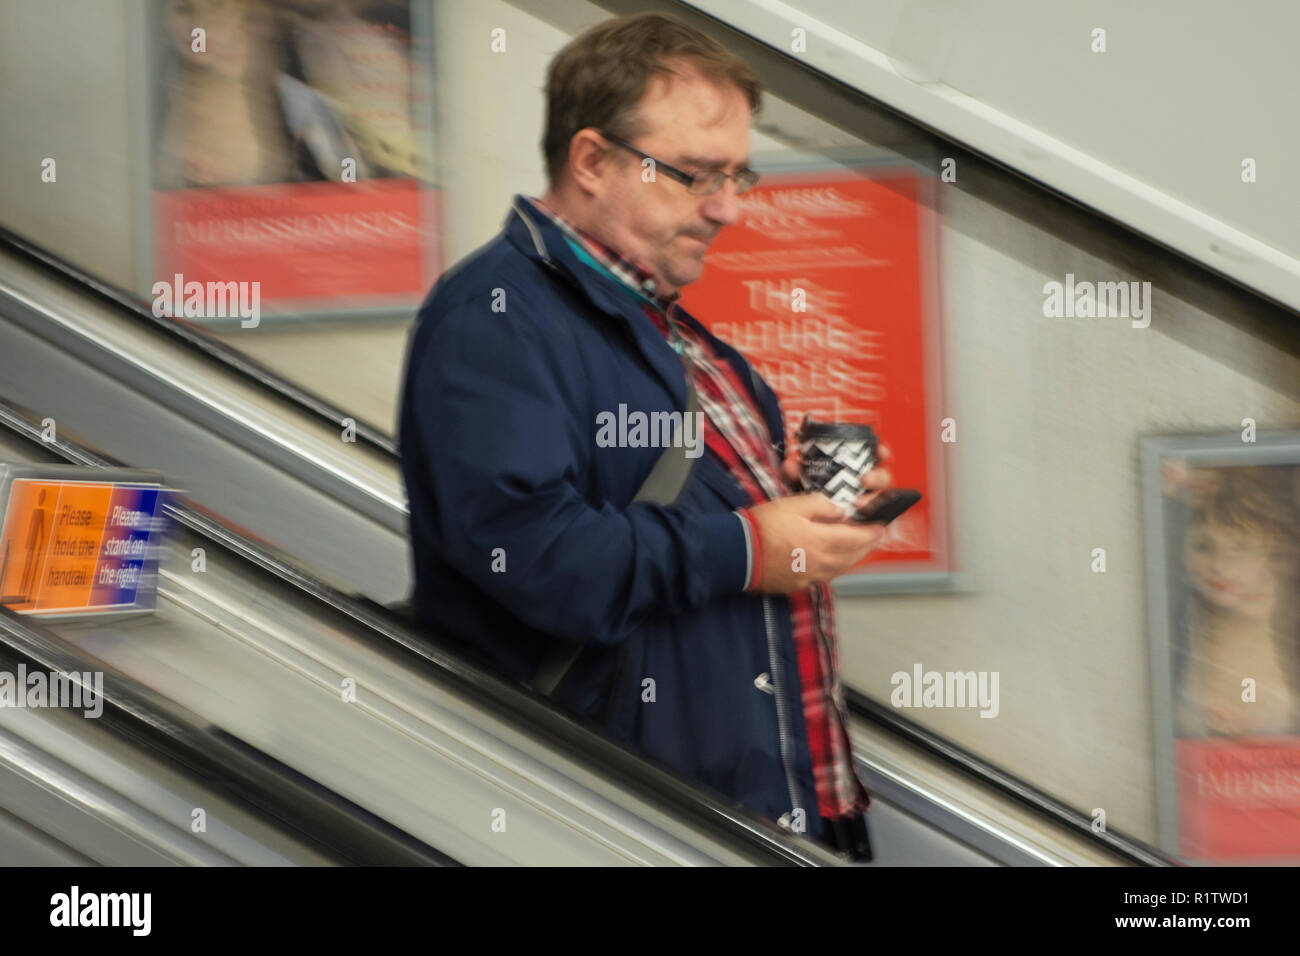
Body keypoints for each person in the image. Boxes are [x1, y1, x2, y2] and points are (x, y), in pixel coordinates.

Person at [399, 12, 893, 861]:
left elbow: (675, 516)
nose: (728, 209)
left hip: (772, 811)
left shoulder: (678, 335)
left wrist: (800, 505)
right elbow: (531, 554)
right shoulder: (495, 316)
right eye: (698, 175)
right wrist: (745, 547)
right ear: (592, 160)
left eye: (740, 176)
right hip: (631, 823)